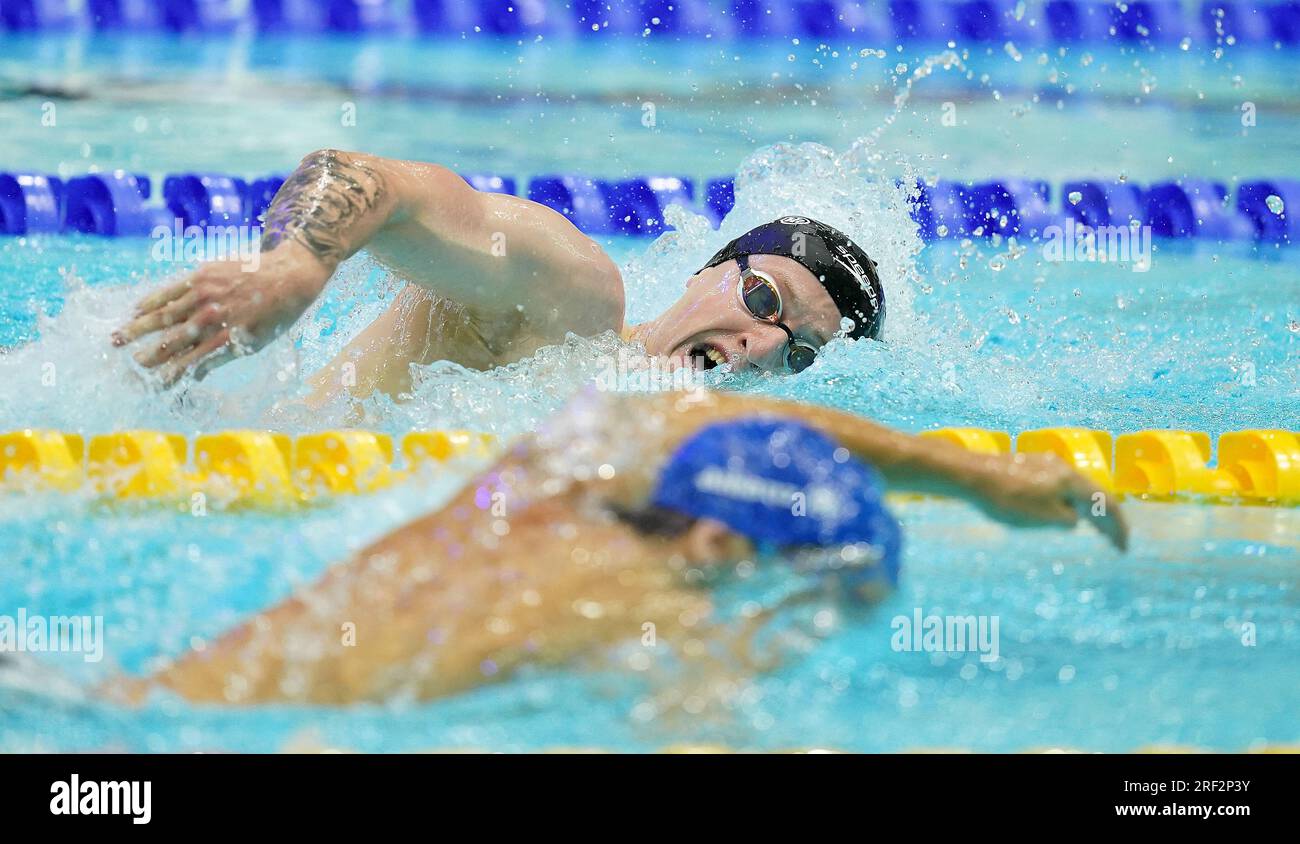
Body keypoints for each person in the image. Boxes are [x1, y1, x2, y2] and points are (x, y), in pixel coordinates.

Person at [130, 388, 1126, 705]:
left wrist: (974, 476)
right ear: (725, 543)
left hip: (148, 700)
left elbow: (725, 413)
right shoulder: (659, 613)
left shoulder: (542, 483)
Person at [110, 150, 886, 401]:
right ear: (707, 272)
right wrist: (295, 266)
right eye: (762, 299)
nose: (757, 345)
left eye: (797, 352)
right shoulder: (570, 299)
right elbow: (360, 176)